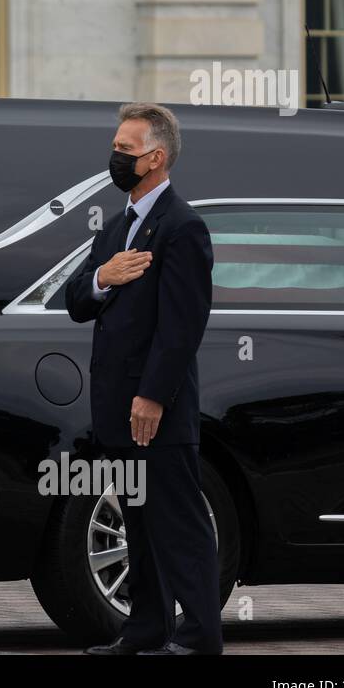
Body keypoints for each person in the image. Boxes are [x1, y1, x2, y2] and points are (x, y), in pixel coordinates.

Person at [64, 102, 220, 656]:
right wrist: (103, 277)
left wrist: (152, 395)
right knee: (138, 525)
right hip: (115, 408)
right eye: (115, 147)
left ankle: (200, 635)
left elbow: (182, 327)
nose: (115, 158)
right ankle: (146, 628)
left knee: (179, 524)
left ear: (156, 158)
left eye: (125, 150)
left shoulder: (182, 226)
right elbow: (75, 300)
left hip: (157, 411)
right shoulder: (115, 229)